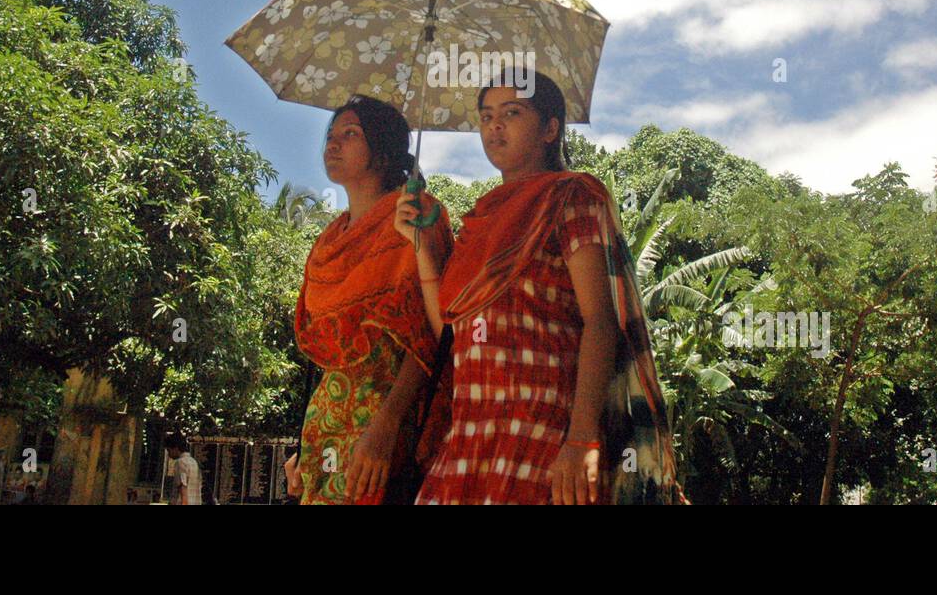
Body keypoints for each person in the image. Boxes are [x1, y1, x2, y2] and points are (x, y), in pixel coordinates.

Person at [399, 71, 679, 505]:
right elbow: (449, 335)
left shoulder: (571, 195)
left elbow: (600, 321)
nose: (494, 126)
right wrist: (421, 245)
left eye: (512, 113)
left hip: (542, 430)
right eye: (487, 116)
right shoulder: (480, 221)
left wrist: (582, 438)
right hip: (468, 436)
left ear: (551, 128)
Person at [284, 95, 453, 504]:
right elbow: (324, 358)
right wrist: (300, 445)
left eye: (350, 134)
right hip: (322, 425)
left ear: (381, 151)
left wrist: (388, 423)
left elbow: (432, 333)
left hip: (385, 423)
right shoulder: (327, 241)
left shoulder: (417, 215)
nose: (332, 144)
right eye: (330, 135)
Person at [165, 435, 201, 505]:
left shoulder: (180, 463)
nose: (169, 454)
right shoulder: (193, 462)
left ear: (176, 448)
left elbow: (182, 486)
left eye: (169, 450)